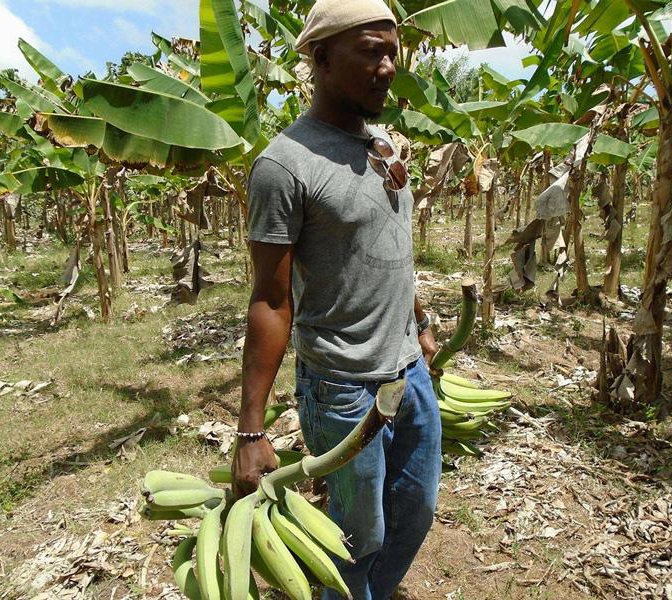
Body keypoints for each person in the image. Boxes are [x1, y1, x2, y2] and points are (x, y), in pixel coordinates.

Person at [231, 1, 442, 598]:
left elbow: (387, 247)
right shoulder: (285, 165)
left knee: (416, 511)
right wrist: (250, 431)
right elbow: (270, 301)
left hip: (408, 371)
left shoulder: (384, 145)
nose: (388, 67)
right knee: (355, 537)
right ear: (321, 59)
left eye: (393, 52)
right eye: (371, 51)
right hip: (344, 386)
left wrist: (420, 319)